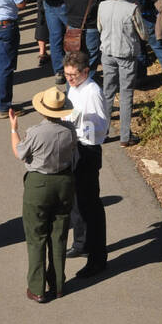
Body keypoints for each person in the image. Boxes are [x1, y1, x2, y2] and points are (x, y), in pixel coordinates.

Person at [10, 88, 78, 303]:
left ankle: (37, 288)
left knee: (36, 236)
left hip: (39, 184)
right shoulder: (70, 131)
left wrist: (14, 130)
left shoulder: (36, 132)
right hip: (64, 183)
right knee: (58, 235)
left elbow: (20, 153)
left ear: (42, 110)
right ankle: (58, 284)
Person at [60, 50, 109, 277]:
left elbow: (101, 127)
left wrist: (81, 120)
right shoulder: (74, 87)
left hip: (87, 150)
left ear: (85, 71)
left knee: (91, 206)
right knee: (76, 201)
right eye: (67, 74)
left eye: (74, 74)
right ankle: (81, 243)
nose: (69, 78)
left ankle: (97, 258)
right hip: (73, 147)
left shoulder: (92, 92)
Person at [97, 0, 148, 146]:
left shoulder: (102, 6)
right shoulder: (132, 8)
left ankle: (103, 133)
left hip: (107, 52)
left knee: (107, 92)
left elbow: (99, 27)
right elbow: (143, 34)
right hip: (126, 54)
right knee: (126, 94)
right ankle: (125, 136)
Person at [63, 0, 104, 75]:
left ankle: (72, 87)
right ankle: (86, 82)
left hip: (72, 29)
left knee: (72, 61)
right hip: (91, 29)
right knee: (90, 59)